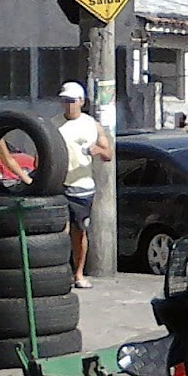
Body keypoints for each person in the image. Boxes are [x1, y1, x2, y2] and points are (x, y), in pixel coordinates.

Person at [52, 82, 113, 289]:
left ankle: (78, 273)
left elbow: (108, 154)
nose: (68, 105)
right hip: (58, 185)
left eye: (71, 101)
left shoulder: (91, 125)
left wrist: (97, 149)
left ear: (81, 102)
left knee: (79, 232)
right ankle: (61, 272)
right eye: (64, 101)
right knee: (60, 231)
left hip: (82, 187)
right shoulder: (54, 124)